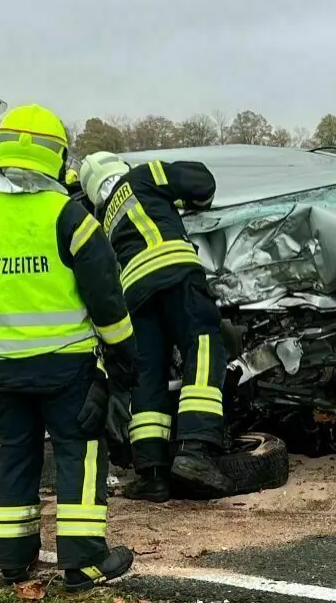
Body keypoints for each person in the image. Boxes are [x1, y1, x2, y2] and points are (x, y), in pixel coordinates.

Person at [0, 104, 139, 591]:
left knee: (13, 454)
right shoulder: (71, 217)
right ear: (58, 157)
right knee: (79, 454)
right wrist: (122, 359)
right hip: (68, 369)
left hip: (1, 369)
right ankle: (84, 561)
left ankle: (12, 559)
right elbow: (107, 299)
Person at [77, 151, 231, 502]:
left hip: (134, 295)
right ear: (118, 169)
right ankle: (196, 448)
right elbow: (200, 182)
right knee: (203, 345)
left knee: (148, 374)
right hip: (175, 271)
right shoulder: (142, 177)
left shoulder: (101, 221)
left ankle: (153, 472)